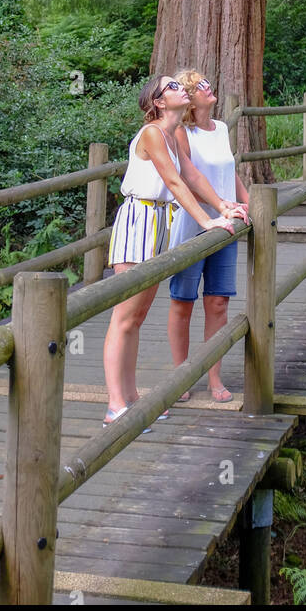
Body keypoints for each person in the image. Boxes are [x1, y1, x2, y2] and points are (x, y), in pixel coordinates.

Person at [102, 75, 246, 426]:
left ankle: (133, 395)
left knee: (138, 316)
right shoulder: (152, 133)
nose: (182, 88)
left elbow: (194, 177)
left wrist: (224, 207)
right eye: (172, 87)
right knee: (124, 315)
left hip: (160, 224)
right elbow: (173, 181)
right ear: (159, 102)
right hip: (139, 220)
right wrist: (206, 221)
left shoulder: (170, 136)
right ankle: (114, 404)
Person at [167, 70, 250, 403]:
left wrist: (248, 204)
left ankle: (214, 377)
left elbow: (230, 172)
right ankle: (181, 375)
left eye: (207, 83)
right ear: (190, 96)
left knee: (218, 301)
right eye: (200, 86)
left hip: (226, 225)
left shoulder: (222, 129)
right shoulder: (182, 134)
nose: (208, 87)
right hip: (193, 226)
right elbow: (189, 179)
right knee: (182, 302)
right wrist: (217, 208)